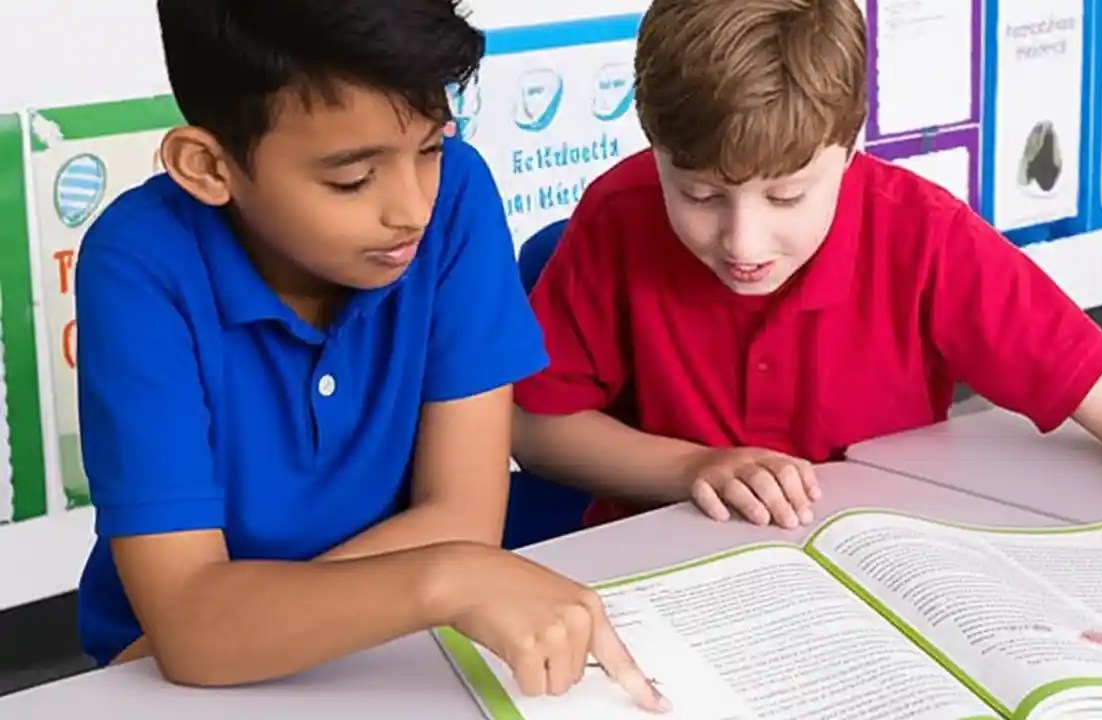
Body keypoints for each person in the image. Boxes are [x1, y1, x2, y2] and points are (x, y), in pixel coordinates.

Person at [512, 0, 1102, 614]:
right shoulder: (618, 217)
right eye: (701, 195)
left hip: (880, 590)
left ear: (849, 148)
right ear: (655, 148)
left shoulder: (924, 237)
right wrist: (691, 468)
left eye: (787, 196)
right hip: (660, 581)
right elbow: (534, 429)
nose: (743, 240)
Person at [72, 0, 666, 709]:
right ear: (207, 166)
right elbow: (191, 628)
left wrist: (229, 622)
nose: (411, 210)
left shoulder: (457, 197)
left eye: (431, 149)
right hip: (165, 686)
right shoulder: (140, 266)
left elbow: (465, 520)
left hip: (394, 644)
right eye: (352, 180)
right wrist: (442, 578)